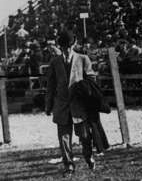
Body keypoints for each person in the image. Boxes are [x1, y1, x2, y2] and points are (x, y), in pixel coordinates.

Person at [45, 28, 97, 175]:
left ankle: (88, 156)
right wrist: (48, 105)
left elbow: (92, 79)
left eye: (68, 47)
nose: (66, 50)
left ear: (73, 45)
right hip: (61, 105)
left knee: (85, 136)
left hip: (79, 104)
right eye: (63, 48)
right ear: (59, 47)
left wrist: (83, 89)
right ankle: (69, 165)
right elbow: (50, 86)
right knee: (64, 138)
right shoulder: (55, 62)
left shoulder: (83, 59)